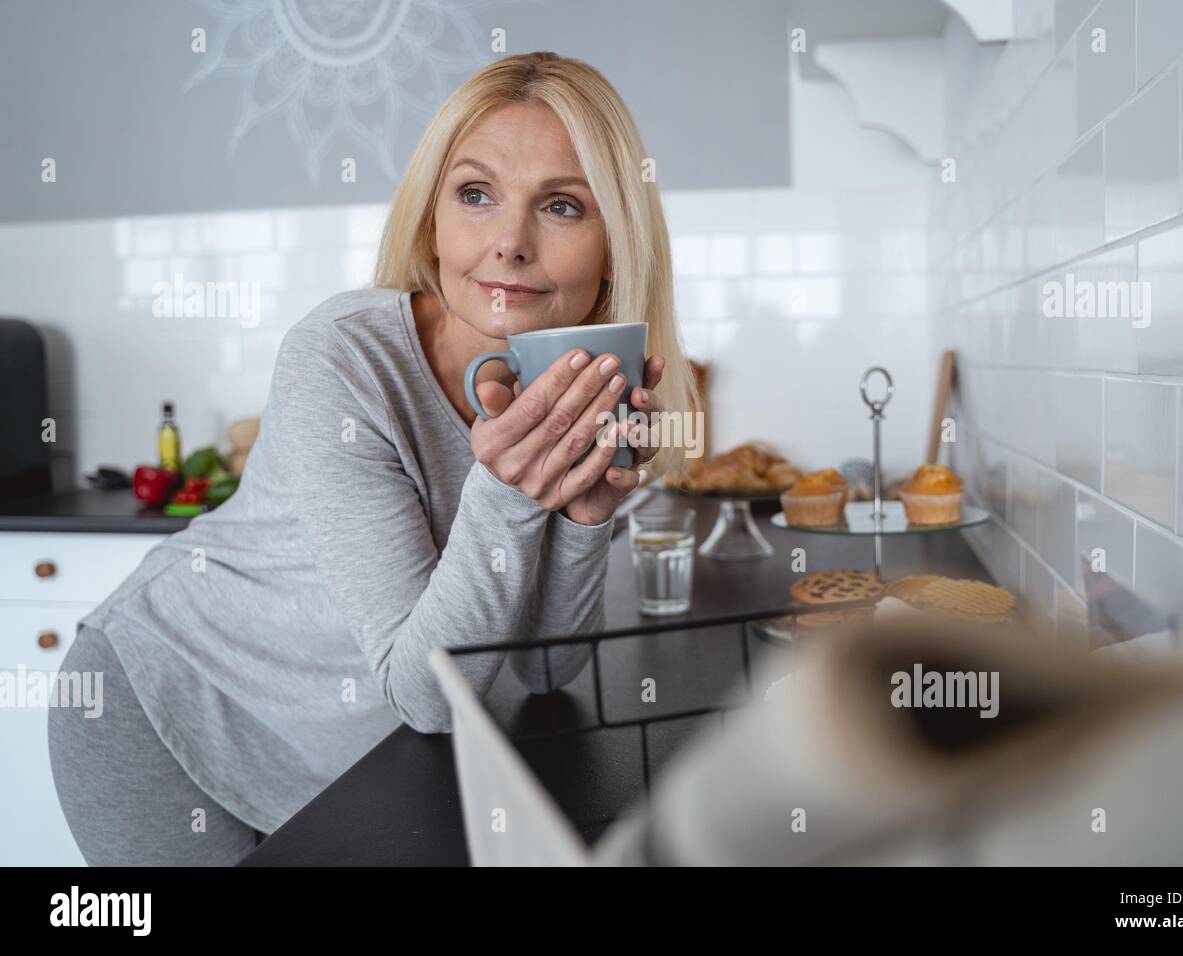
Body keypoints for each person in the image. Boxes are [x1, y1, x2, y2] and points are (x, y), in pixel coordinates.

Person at [48, 51, 699, 866]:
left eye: (562, 206)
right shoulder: (340, 360)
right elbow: (428, 695)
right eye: (475, 194)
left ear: (614, 245)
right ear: (432, 216)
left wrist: (579, 519)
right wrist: (504, 495)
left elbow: (544, 673)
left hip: (341, 755)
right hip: (166, 706)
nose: (509, 244)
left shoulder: (565, 387)